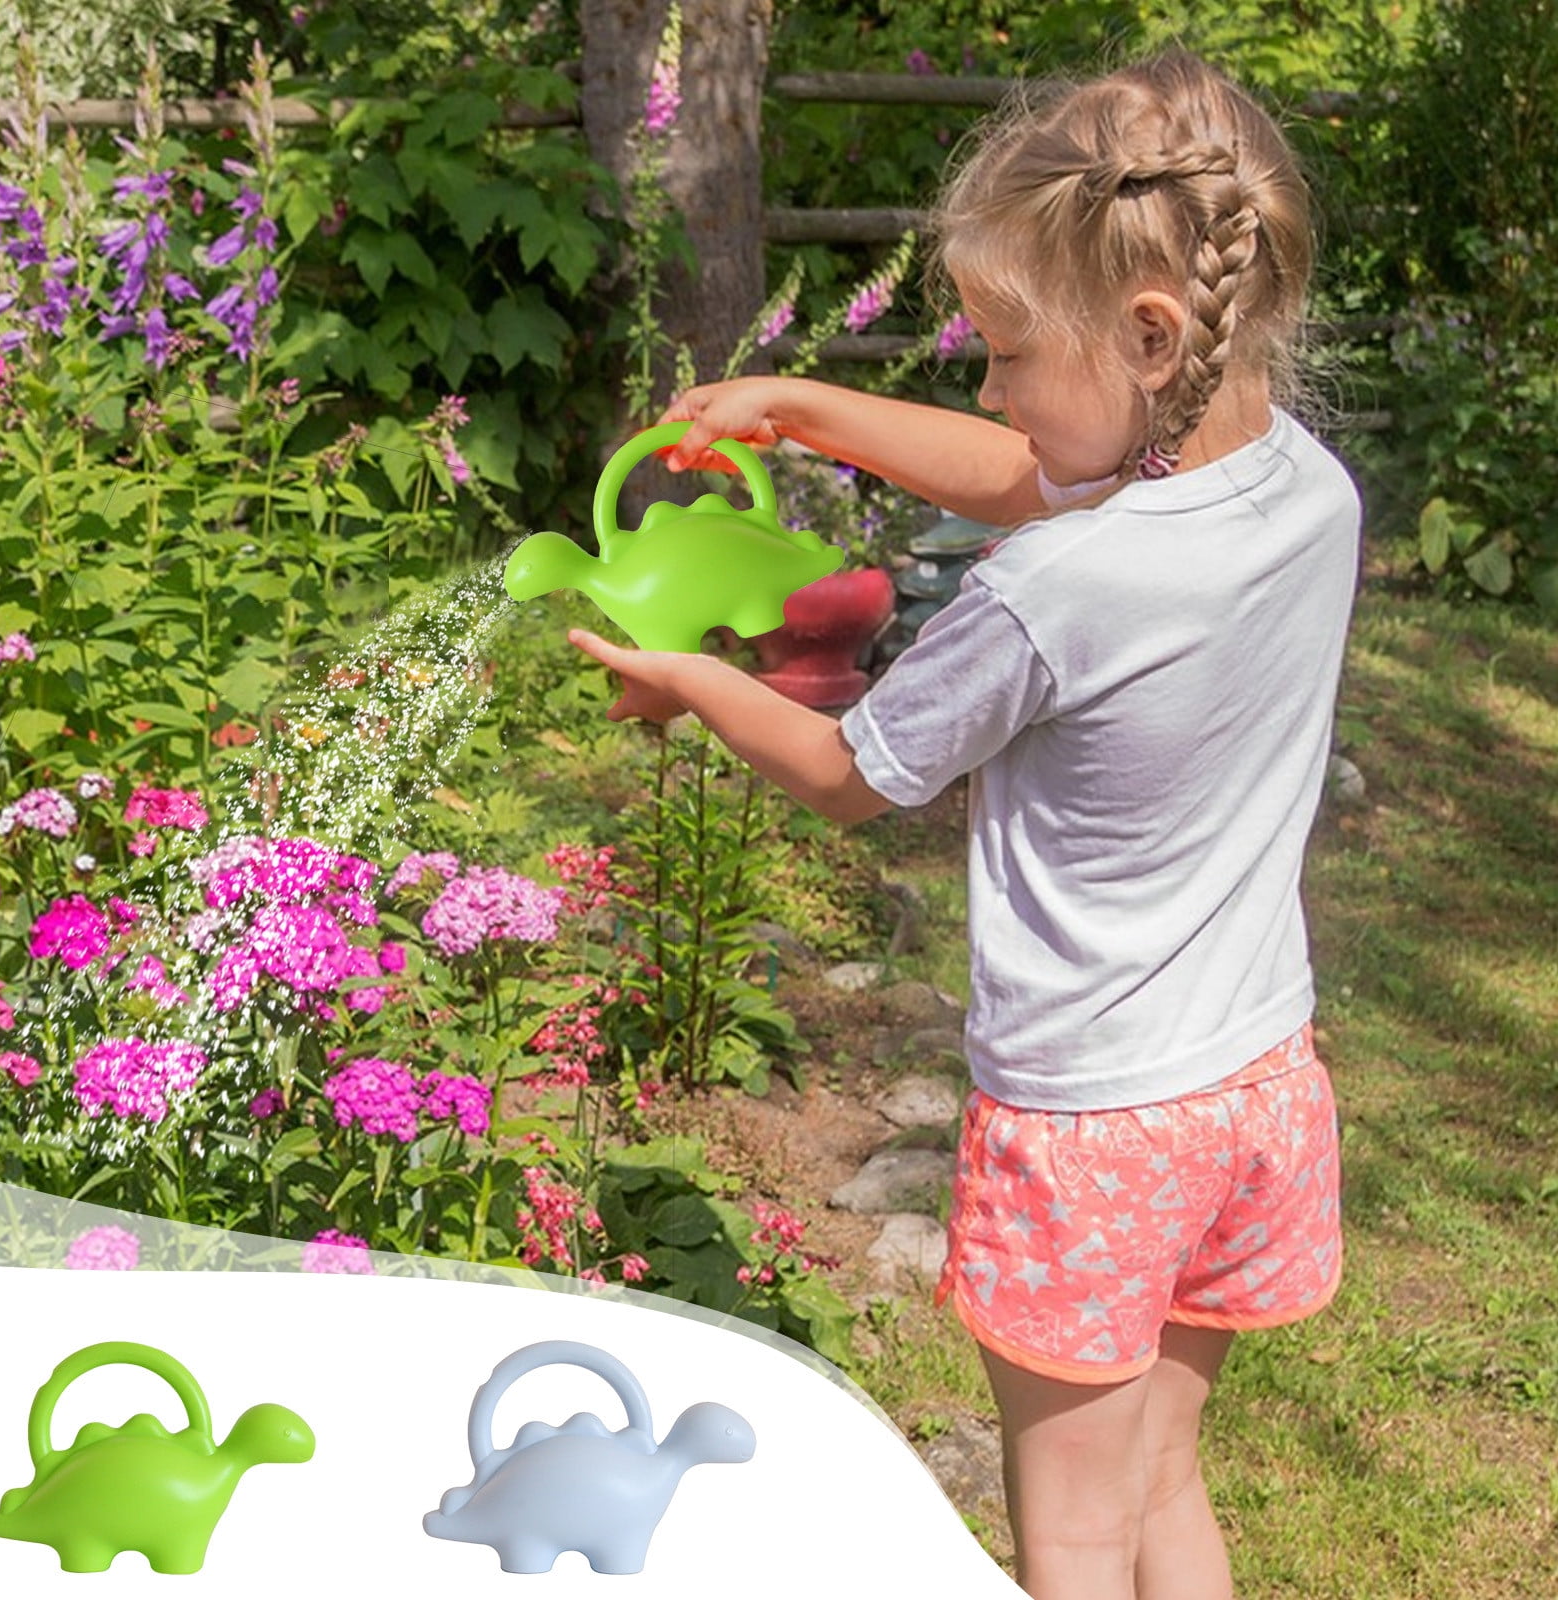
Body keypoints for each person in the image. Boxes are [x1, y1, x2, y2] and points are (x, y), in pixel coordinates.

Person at [569, 47, 1360, 1600]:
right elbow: (1037, 471)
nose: (987, 389)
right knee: (1160, 1488)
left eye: (1002, 352)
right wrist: (802, 405)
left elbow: (851, 769)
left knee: (1065, 1540)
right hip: (1256, 1086)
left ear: (1147, 337)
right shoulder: (1299, 486)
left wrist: (688, 683)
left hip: (1091, 1130)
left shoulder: (1051, 595)